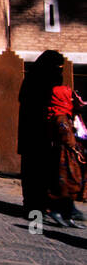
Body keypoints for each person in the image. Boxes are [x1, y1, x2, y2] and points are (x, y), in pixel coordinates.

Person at [18, 50, 66, 219]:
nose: (59, 70)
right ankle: (34, 208)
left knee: (38, 172)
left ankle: (38, 206)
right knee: (35, 173)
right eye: (57, 67)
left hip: (37, 136)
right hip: (36, 135)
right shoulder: (39, 82)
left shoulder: (33, 79)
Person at [44, 87, 86, 228]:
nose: (72, 99)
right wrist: (75, 148)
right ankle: (56, 211)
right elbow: (65, 136)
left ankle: (68, 215)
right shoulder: (60, 116)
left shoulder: (64, 114)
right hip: (64, 157)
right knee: (64, 184)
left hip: (67, 156)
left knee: (69, 186)